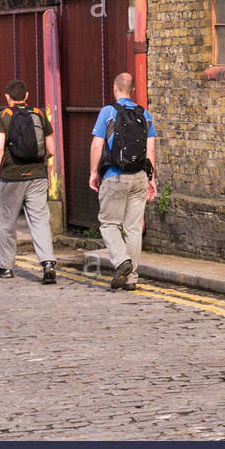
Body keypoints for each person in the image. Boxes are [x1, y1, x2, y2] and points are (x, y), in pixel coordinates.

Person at [88, 72, 157, 291]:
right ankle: (131, 278)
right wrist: (151, 178)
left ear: (114, 89)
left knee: (109, 224)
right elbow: (151, 148)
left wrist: (93, 172)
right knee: (134, 229)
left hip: (114, 176)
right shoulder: (144, 114)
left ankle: (121, 261)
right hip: (139, 176)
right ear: (133, 90)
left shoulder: (107, 112)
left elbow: (97, 145)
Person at [0, 79, 58, 284]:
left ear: (7, 98)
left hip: (12, 177)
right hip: (37, 176)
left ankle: (5, 267)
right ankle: (48, 263)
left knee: (8, 222)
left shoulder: (2, 117)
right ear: (26, 96)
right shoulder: (40, 114)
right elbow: (51, 150)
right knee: (39, 221)